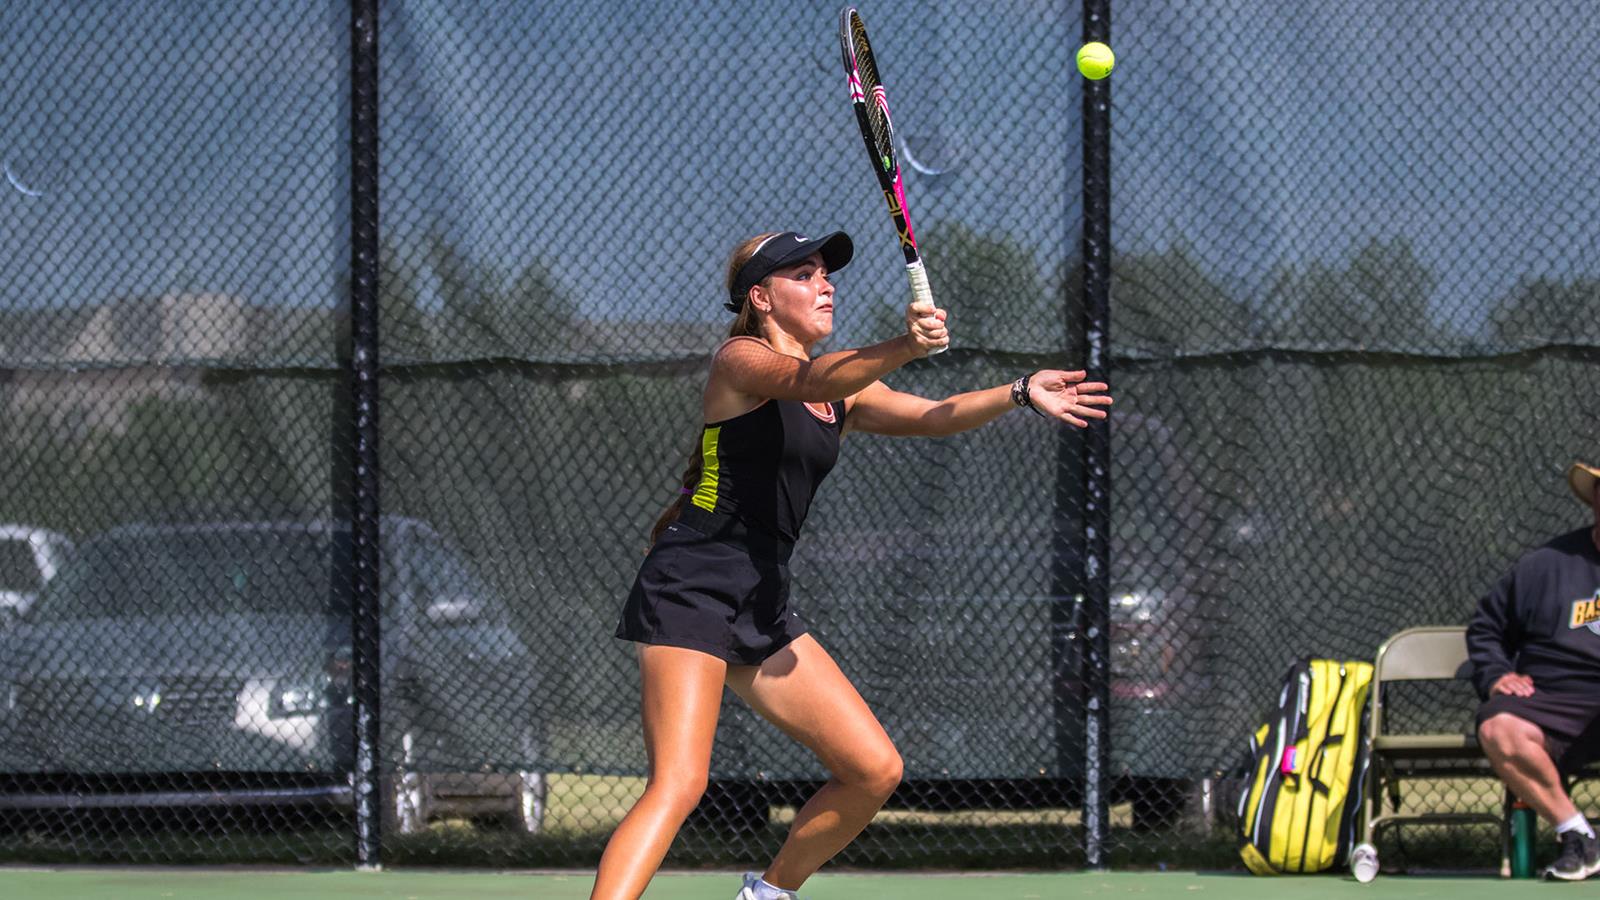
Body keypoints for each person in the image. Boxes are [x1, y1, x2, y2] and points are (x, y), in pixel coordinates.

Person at [591, 230, 1113, 900]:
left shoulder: (844, 395)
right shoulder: (741, 360)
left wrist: (1018, 390)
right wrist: (906, 346)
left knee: (872, 770)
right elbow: (807, 377)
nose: (825, 284)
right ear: (761, 297)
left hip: (763, 596)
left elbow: (931, 416)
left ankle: (768, 893)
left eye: (826, 274)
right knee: (681, 783)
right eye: (803, 275)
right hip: (692, 582)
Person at [1469, 460, 1600, 881]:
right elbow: (1487, 628)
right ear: (1596, 502)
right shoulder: (1545, 564)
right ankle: (1578, 835)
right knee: (1498, 728)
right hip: (1550, 701)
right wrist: (1495, 675)